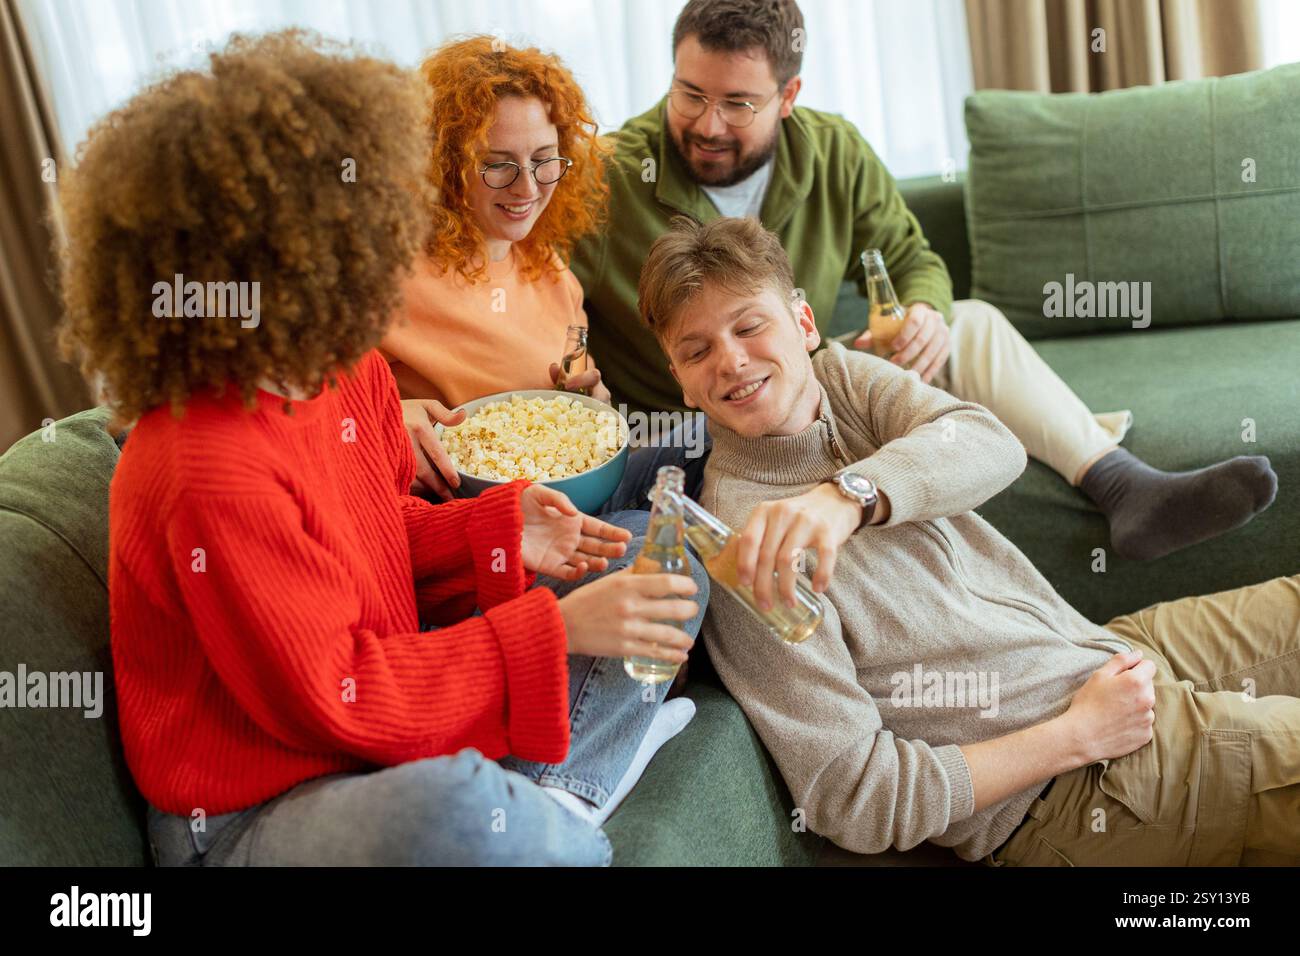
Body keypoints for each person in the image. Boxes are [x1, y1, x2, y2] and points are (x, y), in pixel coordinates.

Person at [57, 30, 705, 866]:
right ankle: (556, 804)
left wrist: (496, 531)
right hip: (264, 802)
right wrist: (556, 633)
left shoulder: (345, 367)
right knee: (461, 814)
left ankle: (556, 804)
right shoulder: (204, 462)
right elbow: (334, 694)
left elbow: (376, 533)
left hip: (388, 737)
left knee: (667, 566)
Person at [633, 214, 1300, 865]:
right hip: (1070, 786)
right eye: (697, 351)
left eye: (750, 326)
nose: (731, 361)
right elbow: (853, 797)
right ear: (682, 381)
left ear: (804, 323)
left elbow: (990, 443)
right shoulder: (748, 552)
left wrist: (849, 498)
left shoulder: (842, 380)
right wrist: (1073, 737)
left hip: (1095, 650)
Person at [572, 0, 1278, 561]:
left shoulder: (834, 150)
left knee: (967, 320)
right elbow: (540, 289)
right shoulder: (607, 179)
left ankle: (1124, 486)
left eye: (739, 103)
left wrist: (923, 312)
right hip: (706, 421)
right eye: (688, 93)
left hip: (812, 388)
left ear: (788, 96)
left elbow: (913, 259)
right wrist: (575, 368)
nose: (706, 123)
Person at [382, 35, 703, 791]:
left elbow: (568, 396)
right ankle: (567, 789)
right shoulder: (387, 273)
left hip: (572, 488)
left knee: (708, 444)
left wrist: (585, 397)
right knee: (666, 560)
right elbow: (312, 408)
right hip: (481, 538)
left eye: (546, 158)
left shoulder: (548, 266)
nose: (527, 185)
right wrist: (391, 415)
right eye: (497, 162)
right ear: (443, 161)